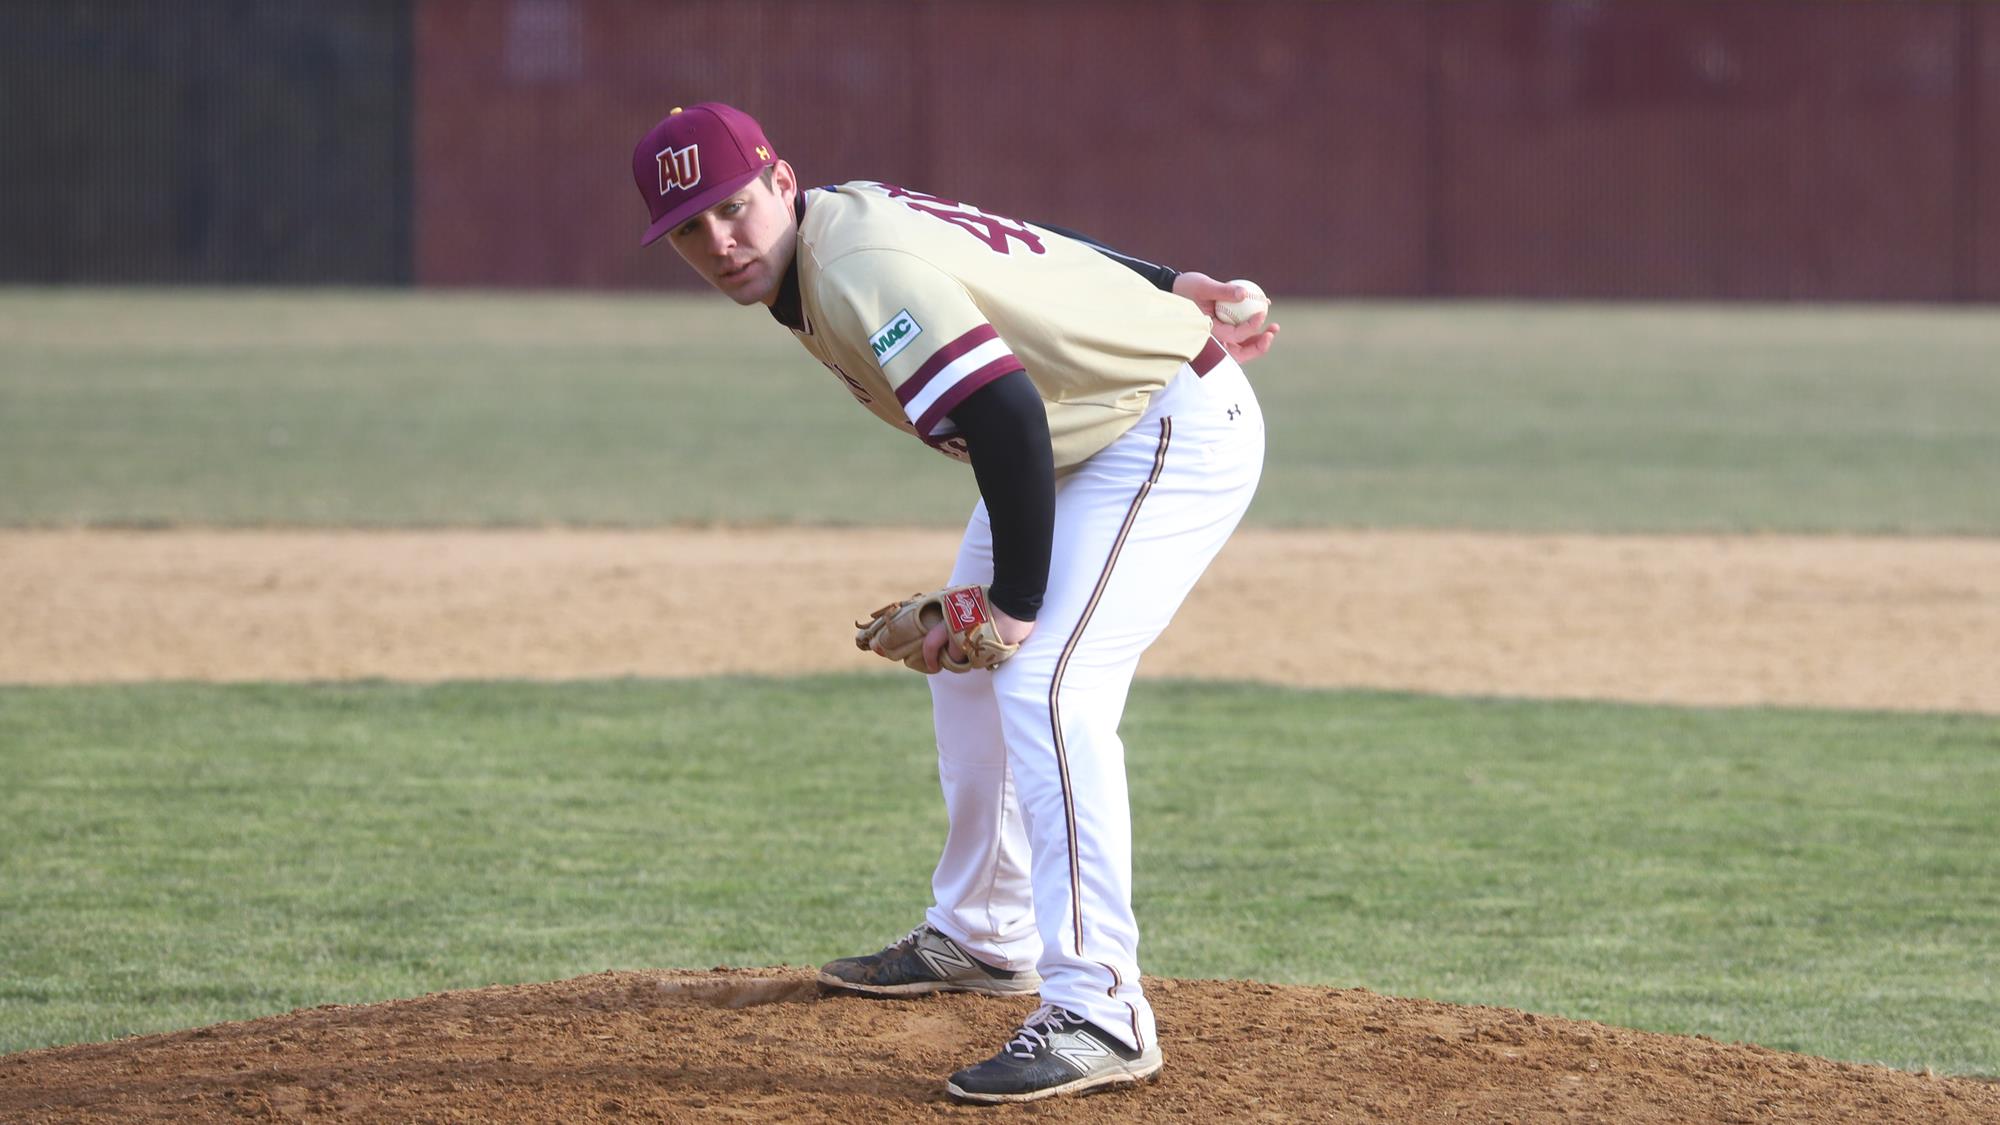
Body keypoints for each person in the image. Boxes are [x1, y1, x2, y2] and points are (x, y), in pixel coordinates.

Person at [630, 102, 1275, 1104]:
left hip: (1155, 427)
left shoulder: (850, 268)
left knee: (1046, 687)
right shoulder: (836, 231)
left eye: (733, 208)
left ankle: (1101, 1010)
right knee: (971, 681)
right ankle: (984, 933)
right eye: (689, 229)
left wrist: (1011, 606)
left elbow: (1005, 415)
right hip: (1082, 432)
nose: (719, 241)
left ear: (781, 182)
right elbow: (1029, 252)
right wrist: (1163, 280)